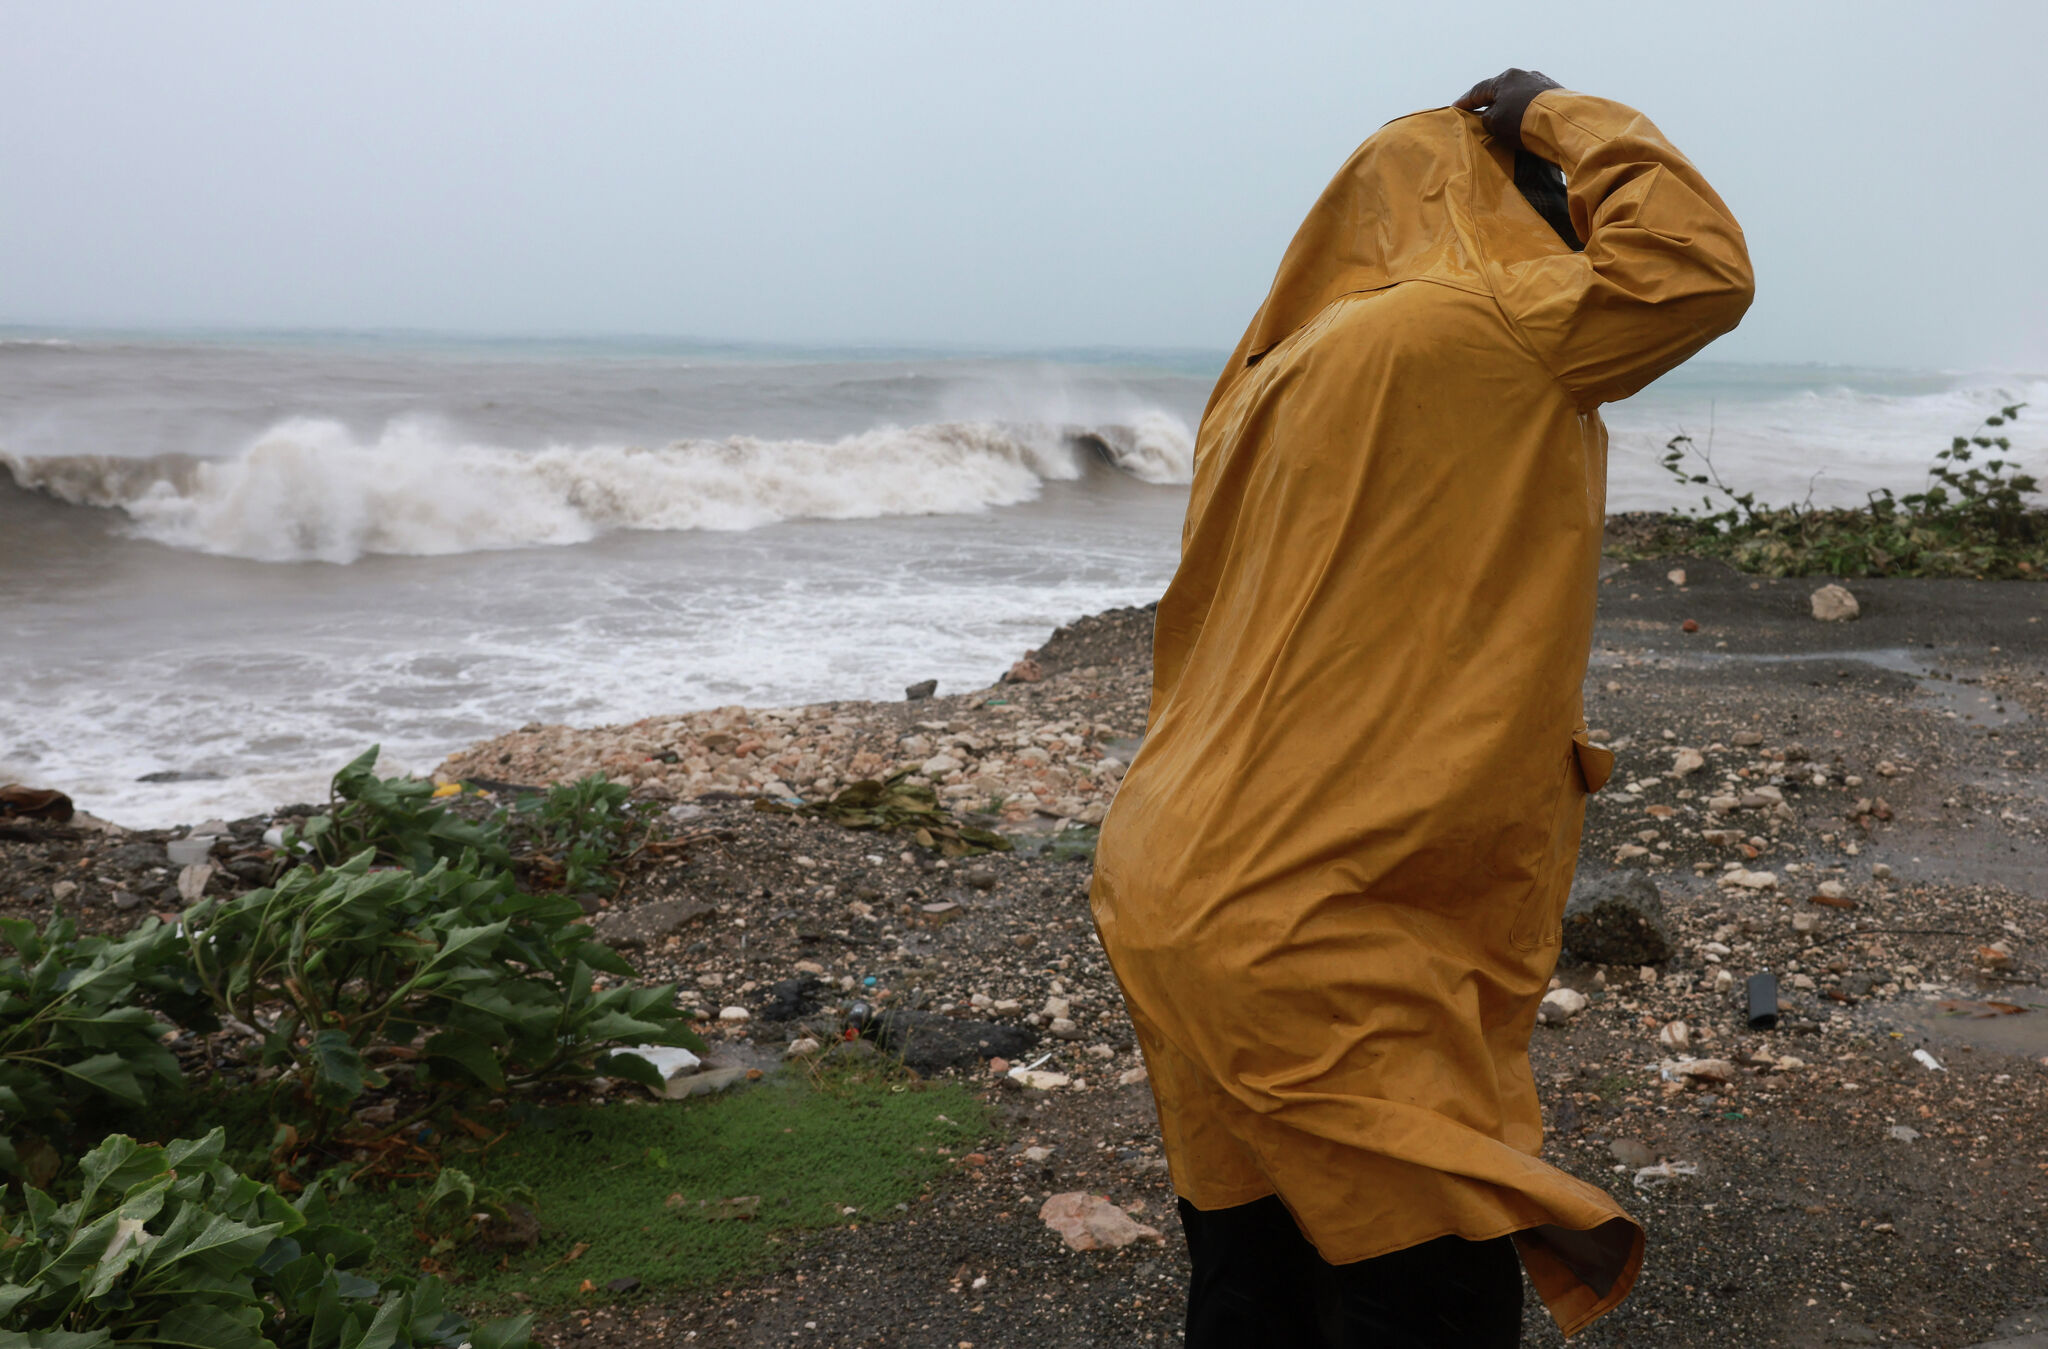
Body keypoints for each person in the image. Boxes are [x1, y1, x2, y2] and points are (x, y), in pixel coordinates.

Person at [1089, 69, 1754, 1346]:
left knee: (1254, 1264)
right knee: (1423, 1288)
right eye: (1553, 206)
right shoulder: (1492, 324)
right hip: (1306, 902)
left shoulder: (1268, 379)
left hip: (1169, 869)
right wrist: (1550, 106)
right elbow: (1691, 263)